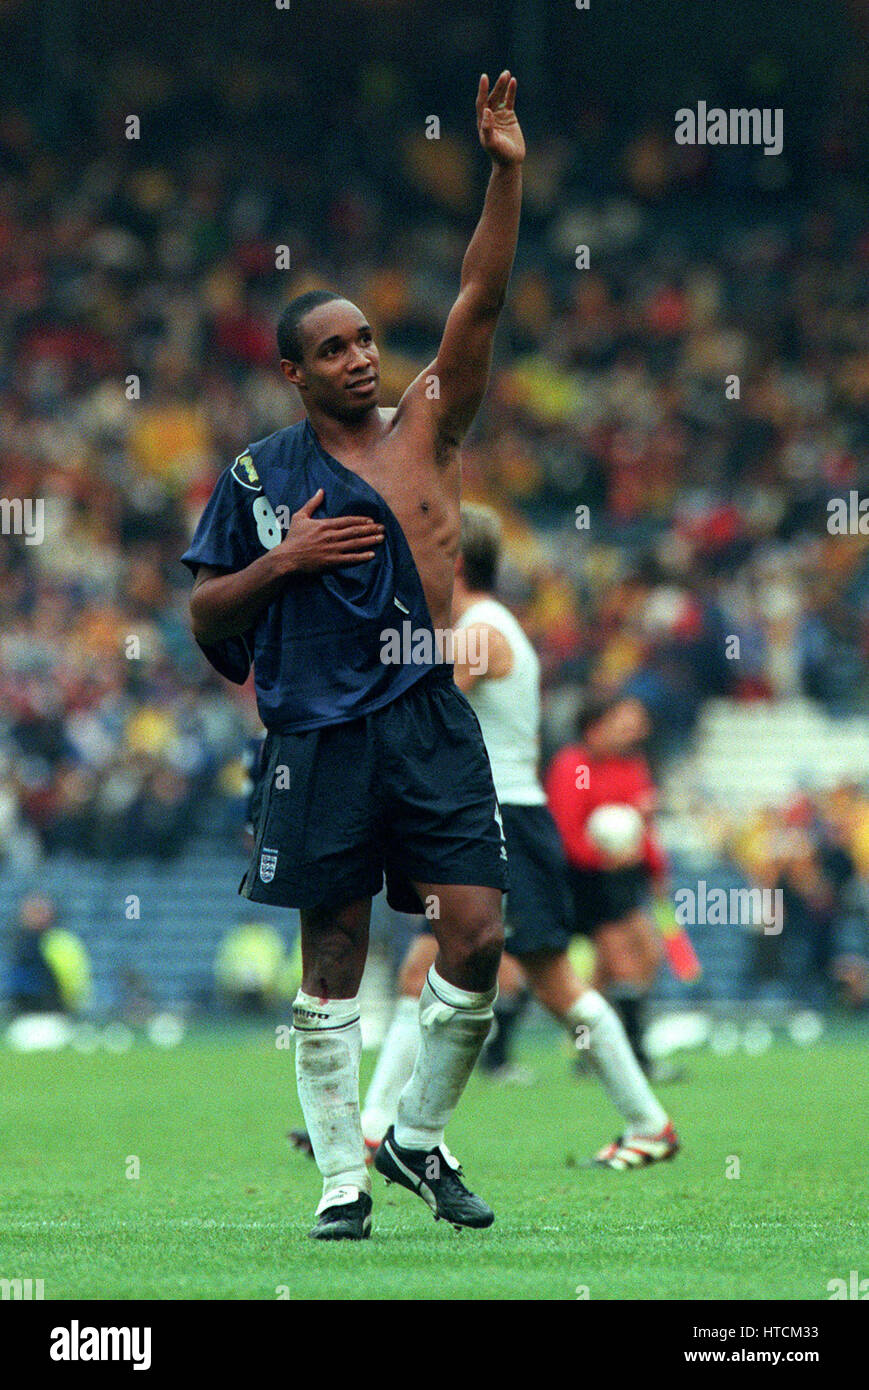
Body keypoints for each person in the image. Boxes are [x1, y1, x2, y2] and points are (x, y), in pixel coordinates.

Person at [182, 73, 525, 1239]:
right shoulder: (258, 477)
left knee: (476, 930)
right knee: (331, 958)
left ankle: (415, 1140)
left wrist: (505, 171)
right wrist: (283, 564)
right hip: (319, 730)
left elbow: (478, 295)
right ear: (293, 372)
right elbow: (201, 620)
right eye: (332, 349)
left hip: (427, 712)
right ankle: (339, 1181)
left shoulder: (432, 424)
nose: (361, 357)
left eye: (367, 337)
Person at [352, 505, 679, 1169]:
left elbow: (420, 712)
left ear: (455, 561)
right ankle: (373, 1122)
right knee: (422, 970)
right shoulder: (481, 625)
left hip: (500, 819)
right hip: (482, 818)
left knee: (554, 982)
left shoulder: (479, 631)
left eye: (423, 551)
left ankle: (647, 1123)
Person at [545, 695, 672, 1075]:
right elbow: (565, 832)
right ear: (595, 727)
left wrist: (655, 870)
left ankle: (589, 1048)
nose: (633, 731)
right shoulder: (572, 766)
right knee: (622, 963)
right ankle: (635, 1056)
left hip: (623, 878)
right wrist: (602, 857)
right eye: (623, 723)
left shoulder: (631, 765)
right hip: (584, 879)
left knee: (644, 956)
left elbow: (640, 828)